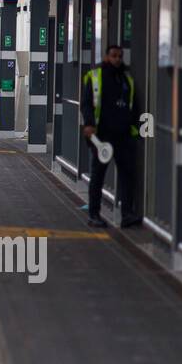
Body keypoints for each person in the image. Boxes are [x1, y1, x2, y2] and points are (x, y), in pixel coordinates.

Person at [81, 43, 141, 228]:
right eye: (113, 55)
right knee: (98, 175)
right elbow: (86, 103)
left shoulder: (126, 80)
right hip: (102, 136)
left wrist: (136, 130)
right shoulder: (95, 76)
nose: (116, 59)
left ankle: (127, 214)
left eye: (119, 56)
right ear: (106, 57)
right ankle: (94, 214)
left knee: (127, 175)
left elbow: (134, 107)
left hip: (122, 135)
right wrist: (89, 124)